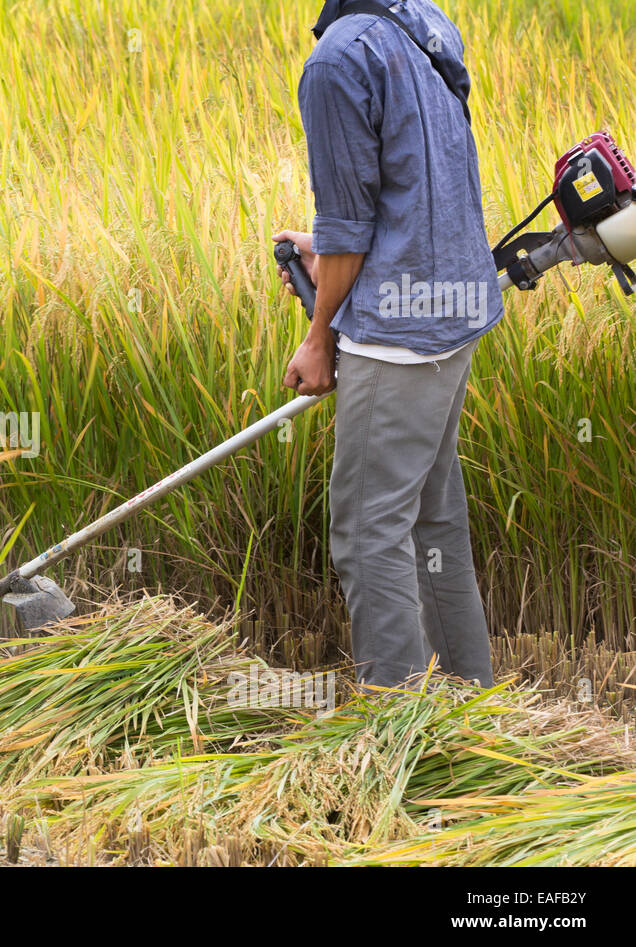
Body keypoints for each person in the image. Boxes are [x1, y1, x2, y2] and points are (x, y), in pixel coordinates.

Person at [275, 0, 500, 688]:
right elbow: (415, 189)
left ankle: (398, 725)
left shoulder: (337, 59)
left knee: (369, 533)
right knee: (433, 523)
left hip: (400, 339)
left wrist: (318, 338)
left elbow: (347, 223)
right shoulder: (423, 18)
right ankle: (469, 703)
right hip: (454, 312)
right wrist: (336, 252)